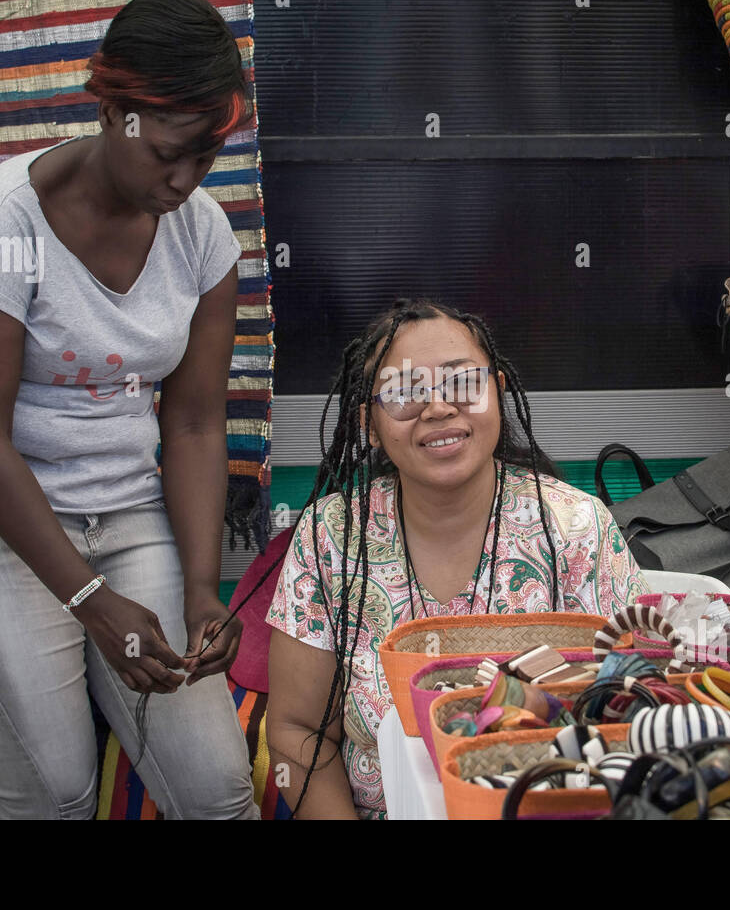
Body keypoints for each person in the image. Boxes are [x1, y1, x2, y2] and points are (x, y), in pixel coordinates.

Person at [0, 0, 260, 819]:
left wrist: (201, 589)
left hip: (121, 508)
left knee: (218, 788)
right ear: (110, 112)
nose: (184, 181)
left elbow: (194, 422)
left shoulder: (204, 235)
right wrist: (91, 601)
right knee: (56, 791)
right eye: (167, 153)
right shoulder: (2, 220)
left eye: (205, 157)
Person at [265, 299, 651, 819]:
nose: (438, 408)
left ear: (498, 393)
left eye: (463, 382)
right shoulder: (329, 537)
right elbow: (297, 730)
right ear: (370, 424)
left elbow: (633, 710)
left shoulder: (578, 528)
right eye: (404, 392)